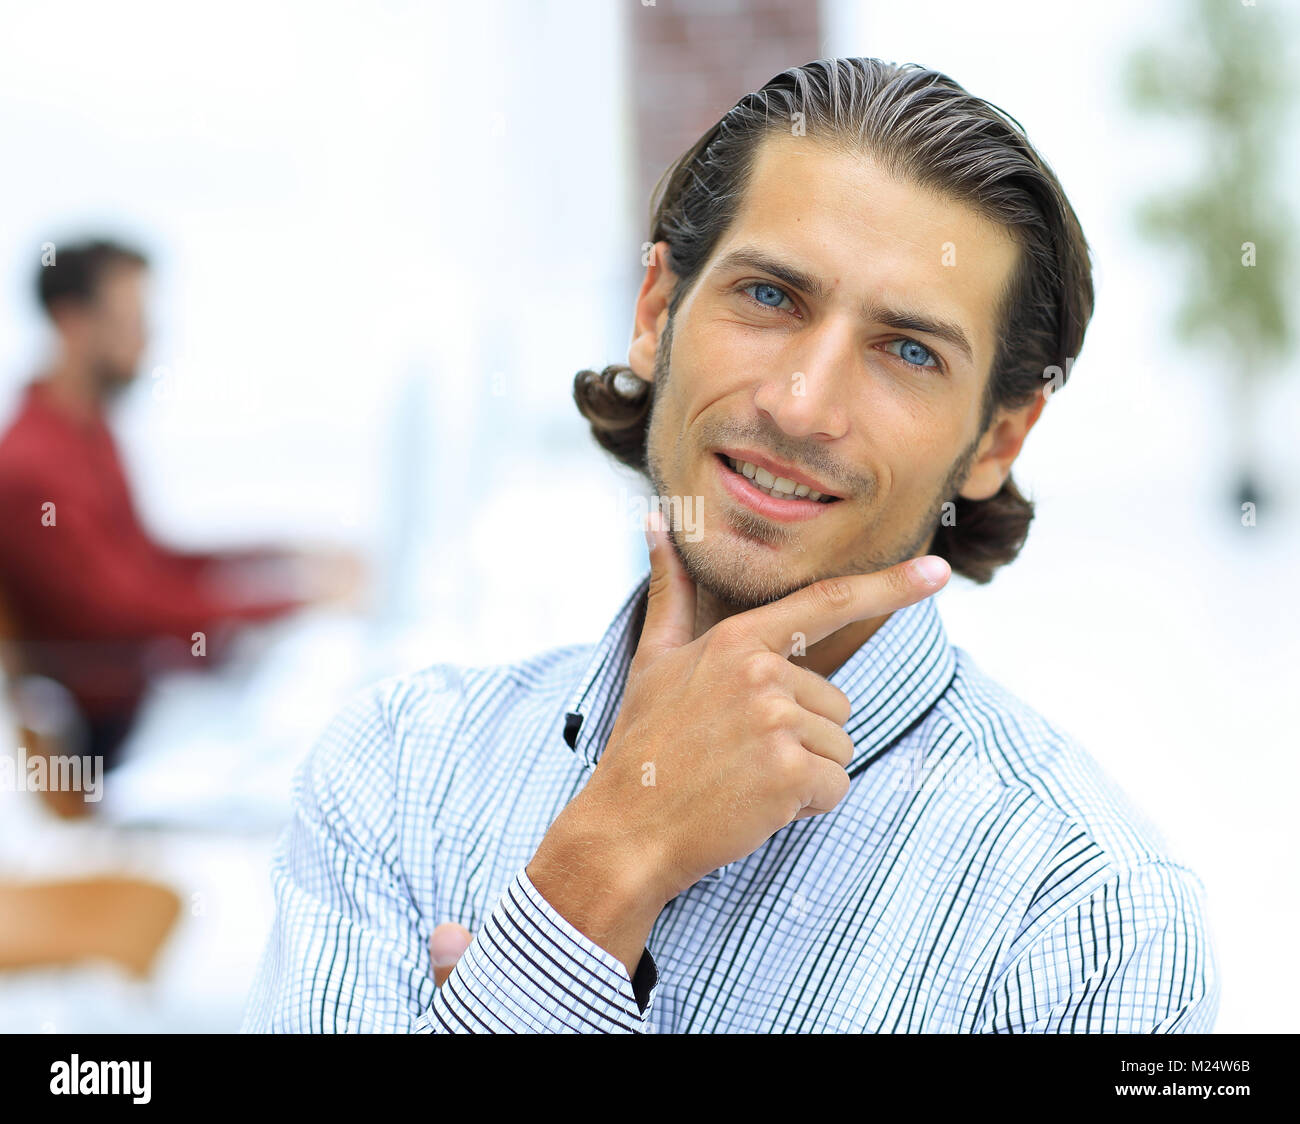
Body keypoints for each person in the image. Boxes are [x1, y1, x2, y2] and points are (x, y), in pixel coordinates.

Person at [243, 59, 1218, 1033]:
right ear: (656, 313)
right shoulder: (396, 770)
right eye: (769, 296)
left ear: (999, 438)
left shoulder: (1094, 923)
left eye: (909, 350)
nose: (801, 403)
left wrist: (505, 990)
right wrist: (607, 860)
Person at [0, 238, 362, 780]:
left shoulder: (86, 433)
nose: (148, 339)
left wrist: (281, 557)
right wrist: (292, 605)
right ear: (72, 322)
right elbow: (121, 613)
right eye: (132, 319)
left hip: (145, 701)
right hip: (107, 739)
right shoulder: (31, 465)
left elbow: (147, 564)